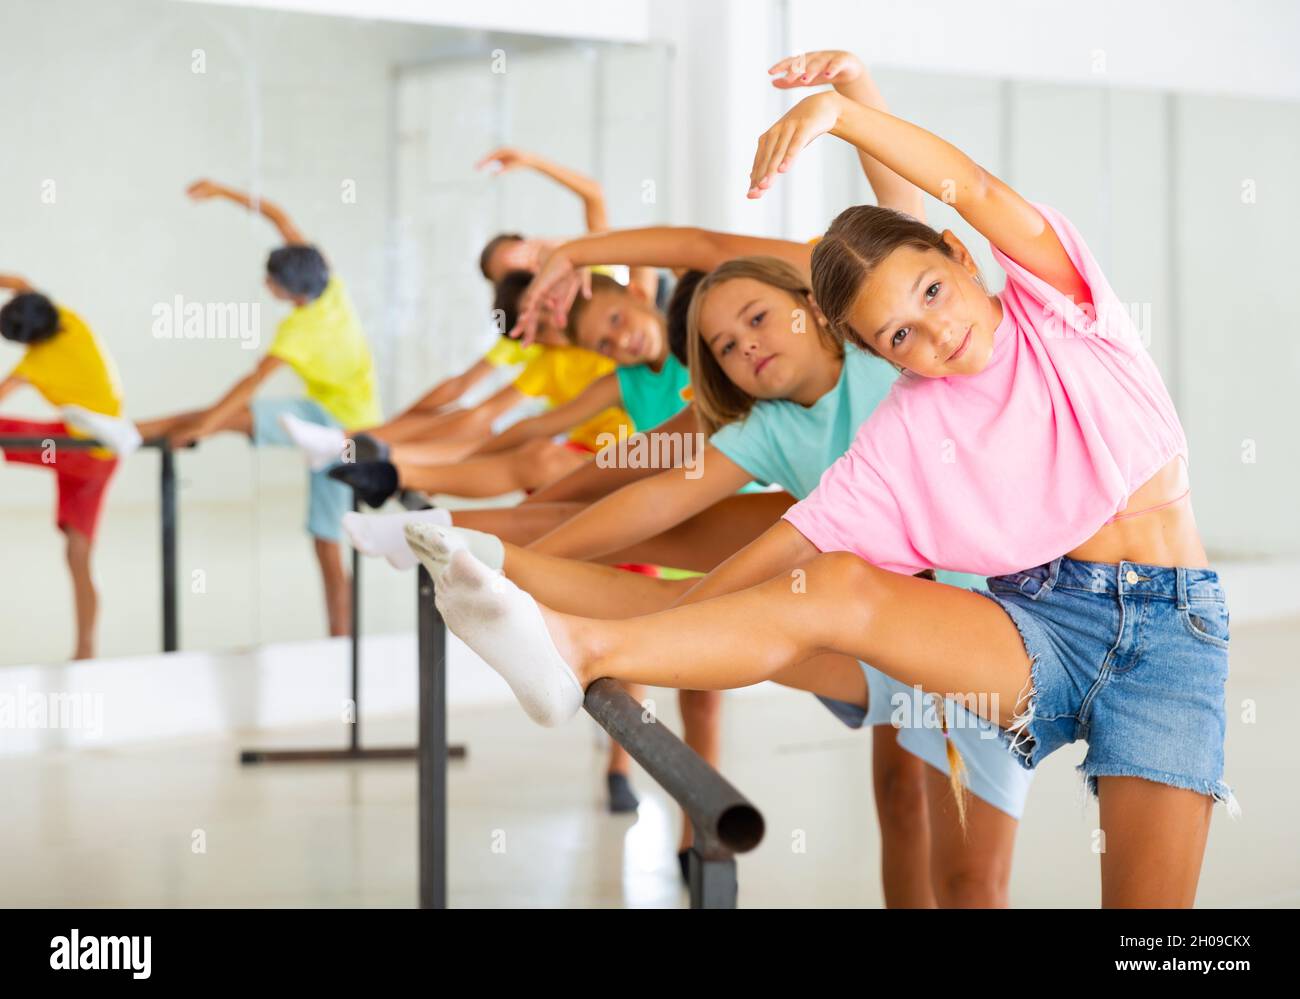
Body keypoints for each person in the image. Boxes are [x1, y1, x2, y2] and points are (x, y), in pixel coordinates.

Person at [415, 79, 1234, 907]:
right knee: (824, 585)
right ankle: (576, 639)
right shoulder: (905, 423)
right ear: (882, 352)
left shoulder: (1058, 303)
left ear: (958, 254)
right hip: (1035, 623)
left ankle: (526, 580)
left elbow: (970, 188)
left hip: (1170, 631)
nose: (933, 333)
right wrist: (660, 630)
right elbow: (789, 549)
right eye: (899, 337)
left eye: (934, 294)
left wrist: (846, 113)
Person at [0, 275, 133, 659]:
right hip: (102, 459)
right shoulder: (71, 319)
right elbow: (22, 284)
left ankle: (86, 648)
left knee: (5, 431)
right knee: (78, 555)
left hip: (76, 451)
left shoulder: (33, 364)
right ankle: (86, 650)